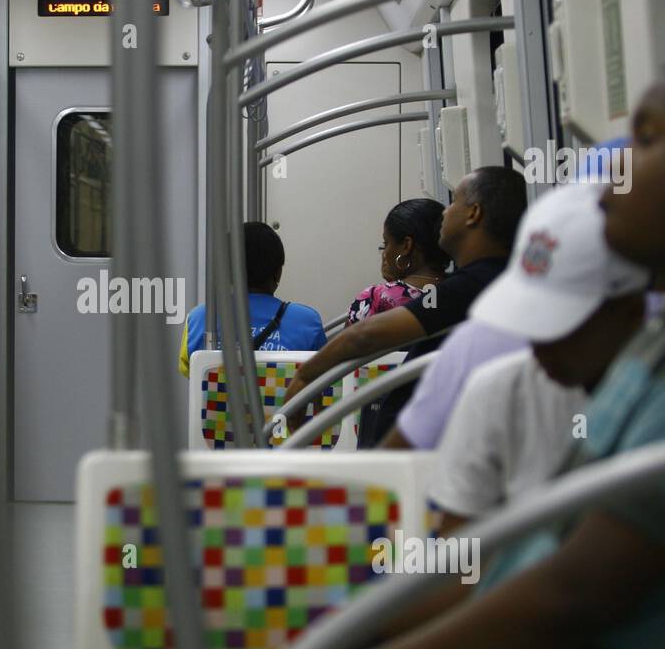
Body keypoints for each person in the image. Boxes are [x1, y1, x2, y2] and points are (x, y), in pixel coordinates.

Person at [233, 59, 665, 649]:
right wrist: (342, 633)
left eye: (645, 139)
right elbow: (515, 567)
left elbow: (570, 597)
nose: (610, 173)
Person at [427, 182, 649, 533]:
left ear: (631, 312)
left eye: (559, 324)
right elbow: (460, 558)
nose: (539, 344)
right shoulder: (498, 392)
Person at [283, 167, 527, 445]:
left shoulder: (476, 284)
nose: (445, 213)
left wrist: (305, 377)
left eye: (454, 202)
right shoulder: (492, 280)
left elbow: (364, 335)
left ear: (473, 213)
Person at [179, 221, 327, 376]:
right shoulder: (307, 322)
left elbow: (191, 373)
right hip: (289, 401)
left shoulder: (198, 319)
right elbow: (322, 377)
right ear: (278, 272)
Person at [343, 198, 449, 326]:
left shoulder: (374, 298)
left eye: (386, 243)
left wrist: (392, 287)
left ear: (406, 246)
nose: (384, 253)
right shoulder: (463, 288)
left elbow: (349, 344)